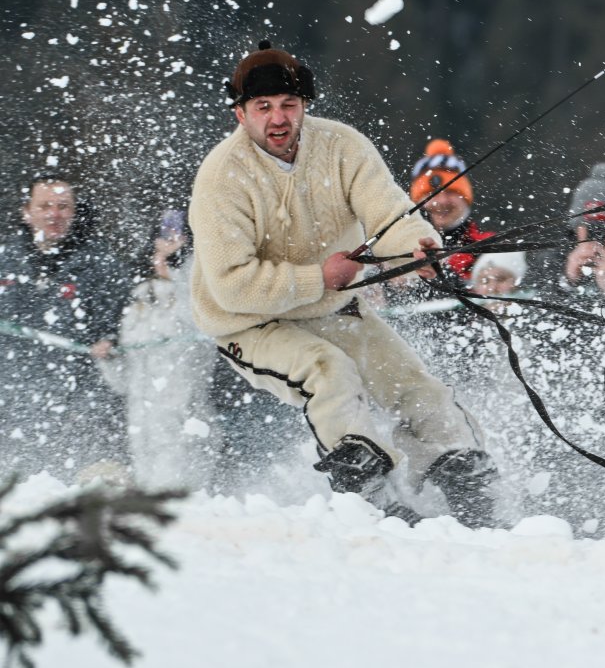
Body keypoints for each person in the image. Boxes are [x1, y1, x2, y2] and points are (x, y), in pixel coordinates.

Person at [188, 41, 501, 527]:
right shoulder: (220, 178)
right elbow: (231, 286)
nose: (278, 119)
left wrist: (417, 246)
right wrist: (319, 277)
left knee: (415, 385)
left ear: (305, 107)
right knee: (330, 373)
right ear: (240, 115)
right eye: (263, 107)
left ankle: (464, 477)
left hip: (333, 307)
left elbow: (390, 212)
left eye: (288, 105)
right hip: (249, 322)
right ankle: (371, 496)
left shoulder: (343, 146)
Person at [0, 175, 130, 478]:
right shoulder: (6, 261)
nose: (53, 214)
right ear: (27, 212)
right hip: (11, 402)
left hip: (80, 405)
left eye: (63, 206)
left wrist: (111, 339)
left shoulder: (102, 263)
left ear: (75, 212)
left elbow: (128, 316)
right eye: (44, 205)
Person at [96, 209, 224, 490]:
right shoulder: (138, 300)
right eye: (164, 236)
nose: (169, 244)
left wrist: (177, 276)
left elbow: (200, 336)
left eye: (178, 238)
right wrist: (108, 358)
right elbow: (122, 382)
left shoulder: (200, 293)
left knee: (180, 502)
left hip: (186, 425)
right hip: (142, 427)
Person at [408, 138, 494, 284]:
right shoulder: (396, 246)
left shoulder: (490, 246)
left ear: (465, 198)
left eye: (451, 192)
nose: (442, 201)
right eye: (432, 194)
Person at [563, 161, 605, 294]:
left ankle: (572, 282)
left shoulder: (584, 186)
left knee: (576, 258)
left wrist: (582, 242)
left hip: (581, 233)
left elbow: (577, 216)